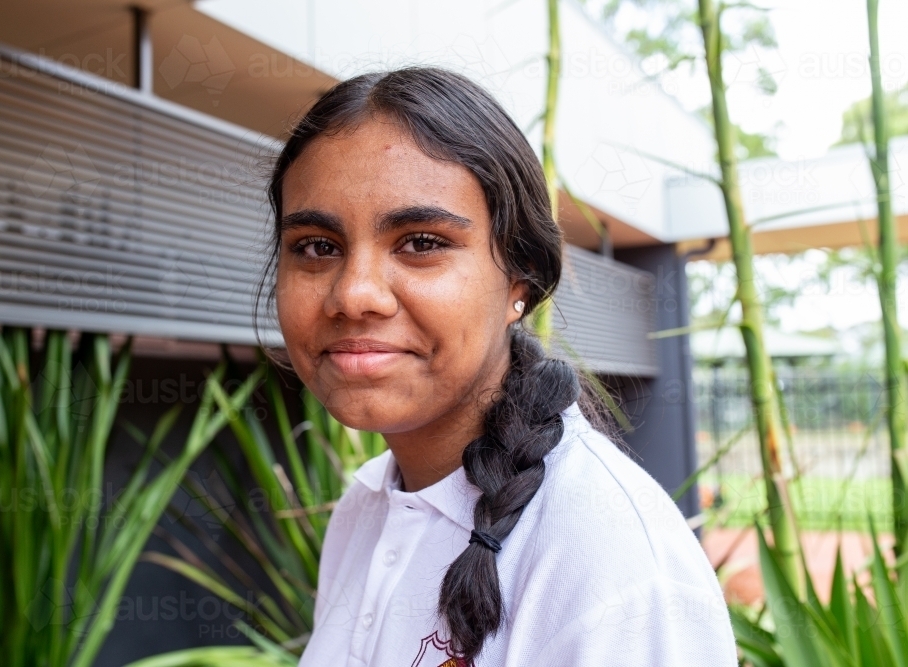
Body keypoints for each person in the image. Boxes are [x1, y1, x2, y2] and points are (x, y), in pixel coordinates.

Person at [262, 67, 736, 666]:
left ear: (521, 279)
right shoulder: (364, 510)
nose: (354, 294)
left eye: (422, 242)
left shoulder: (608, 558)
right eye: (316, 247)